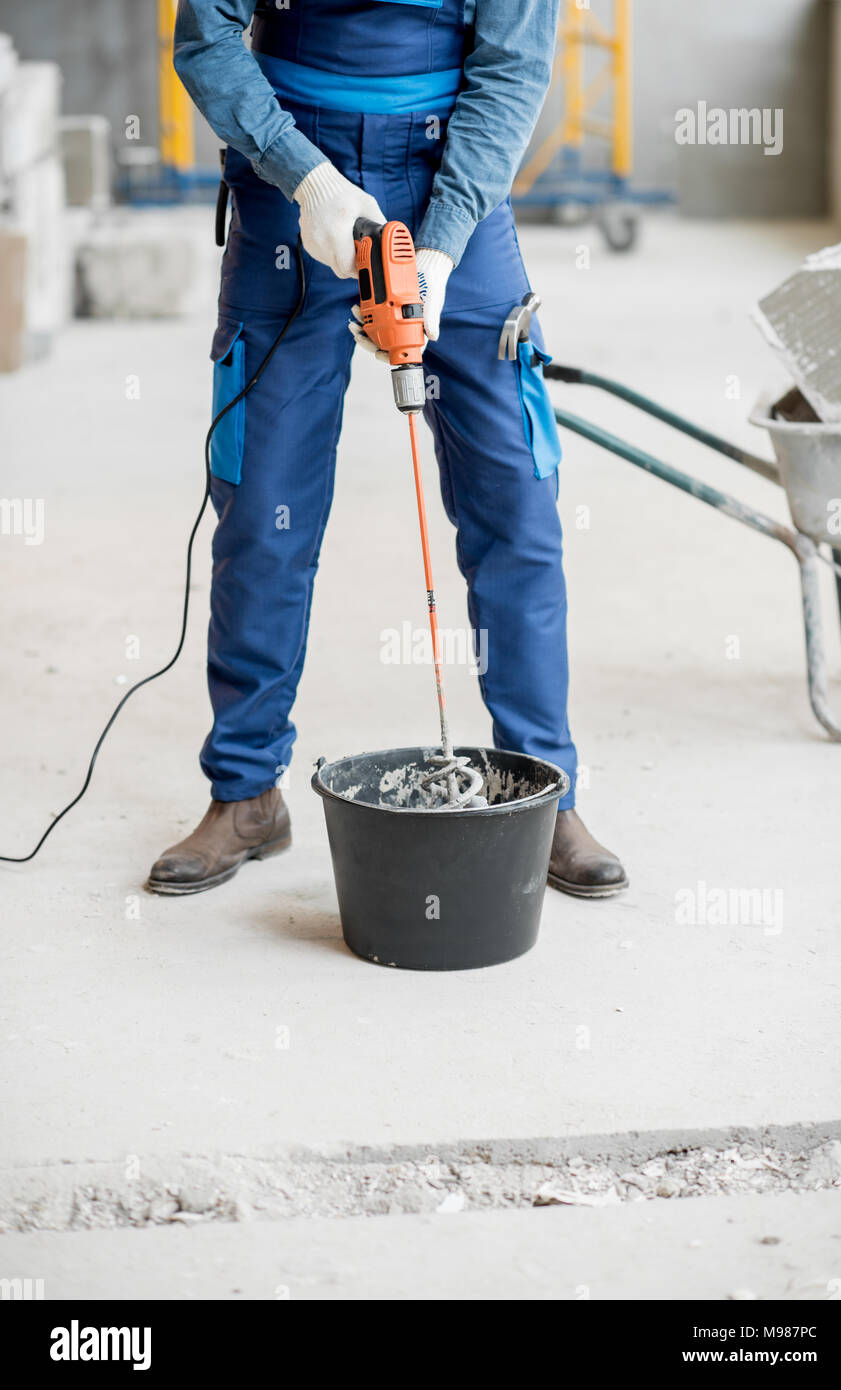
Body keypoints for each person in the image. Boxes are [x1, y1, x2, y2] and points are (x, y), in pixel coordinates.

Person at [148, 0, 627, 899]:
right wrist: (306, 179)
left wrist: (441, 245)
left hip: (451, 169)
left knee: (515, 502)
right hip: (292, 169)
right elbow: (205, 35)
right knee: (263, 508)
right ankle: (246, 792)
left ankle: (543, 791)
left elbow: (512, 70)